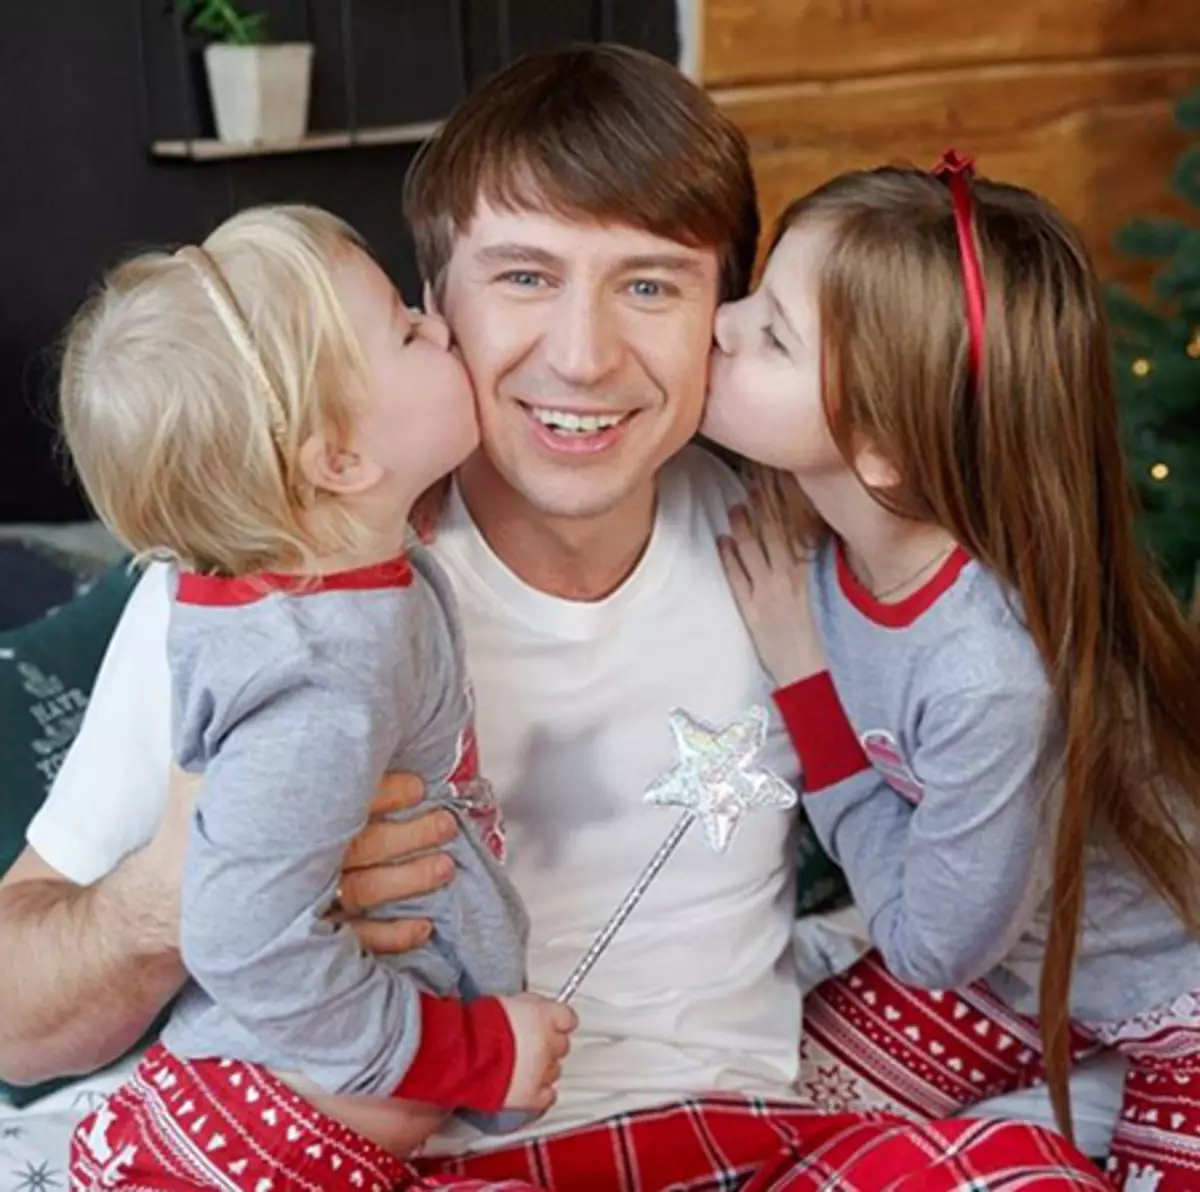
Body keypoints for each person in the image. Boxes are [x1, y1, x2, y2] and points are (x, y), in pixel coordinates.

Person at [0, 47, 1108, 1191]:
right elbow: (14, 1024)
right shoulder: (261, 594)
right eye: (524, 278)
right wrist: (169, 897)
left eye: (650, 285)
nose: (582, 360)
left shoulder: (801, 551)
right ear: (431, 308)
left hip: (741, 1138)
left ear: (724, 318)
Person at [704, 155, 1200, 1191]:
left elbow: (931, 945)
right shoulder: (829, 528)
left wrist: (804, 680)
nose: (720, 320)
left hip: (1175, 1003)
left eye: (773, 333)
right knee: (757, 1126)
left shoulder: (986, 669)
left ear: (882, 445)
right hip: (1015, 974)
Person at [57, 203, 576, 1189]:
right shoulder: (317, 676)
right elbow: (240, 932)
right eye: (407, 328)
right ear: (338, 460)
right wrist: (465, 1052)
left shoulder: (342, 584)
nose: (441, 326)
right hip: (260, 1155)